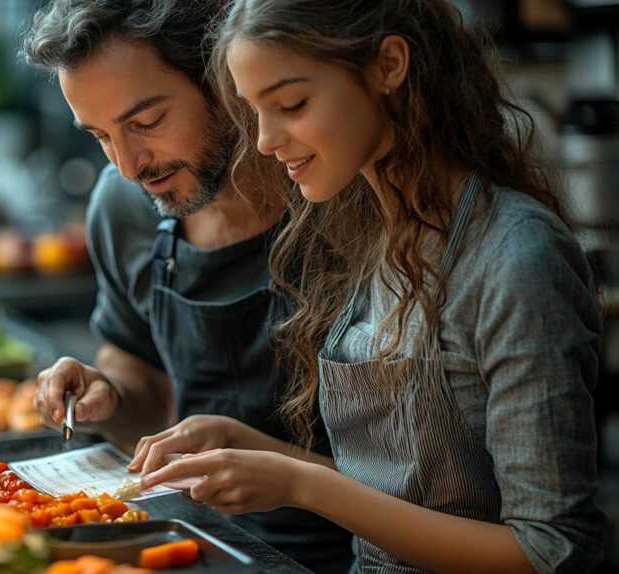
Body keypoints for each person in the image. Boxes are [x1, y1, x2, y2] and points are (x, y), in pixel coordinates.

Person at [133, 0, 609, 571]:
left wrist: (300, 483)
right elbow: (410, 494)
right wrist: (249, 446)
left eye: (291, 104)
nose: (263, 141)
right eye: (255, 112)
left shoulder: (515, 256)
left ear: (388, 65)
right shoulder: (372, 233)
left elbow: (550, 550)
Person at [21, 1, 353, 571]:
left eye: (145, 123)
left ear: (226, 82)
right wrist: (109, 397)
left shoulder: (340, 199)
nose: (128, 164)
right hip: (193, 545)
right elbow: (144, 386)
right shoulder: (124, 208)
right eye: (101, 135)